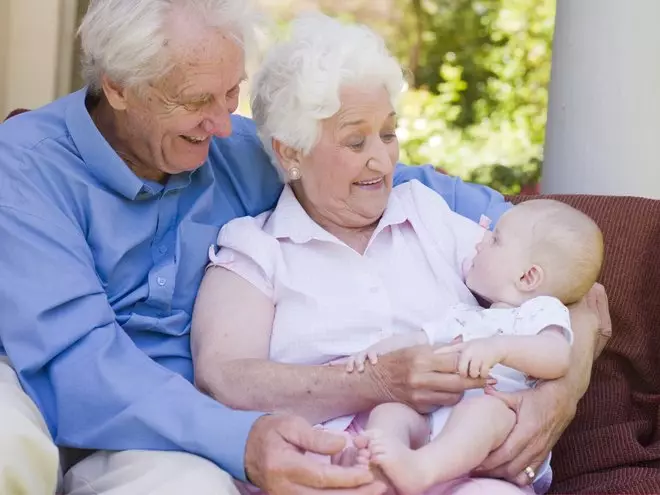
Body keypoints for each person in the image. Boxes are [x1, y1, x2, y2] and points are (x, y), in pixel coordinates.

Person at [191, 13, 610, 495]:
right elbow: (226, 380)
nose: (382, 159)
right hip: (332, 467)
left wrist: (562, 391)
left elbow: (566, 280)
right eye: (355, 140)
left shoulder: (430, 213)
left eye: (388, 134)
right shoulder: (256, 249)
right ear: (291, 154)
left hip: (458, 459)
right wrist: (376, 383)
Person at [333, 199, 604, 495]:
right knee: (391, 411)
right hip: (437, 425)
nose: (480, 242)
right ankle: (381, 464)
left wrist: (500, 348)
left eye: (496, 239)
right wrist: (376, 351)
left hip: (498, 437)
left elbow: (557, 356)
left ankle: (420, 470)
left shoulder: (541, 312)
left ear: (528, 277)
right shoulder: (465, 314)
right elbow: (421, 338)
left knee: (485, 411)